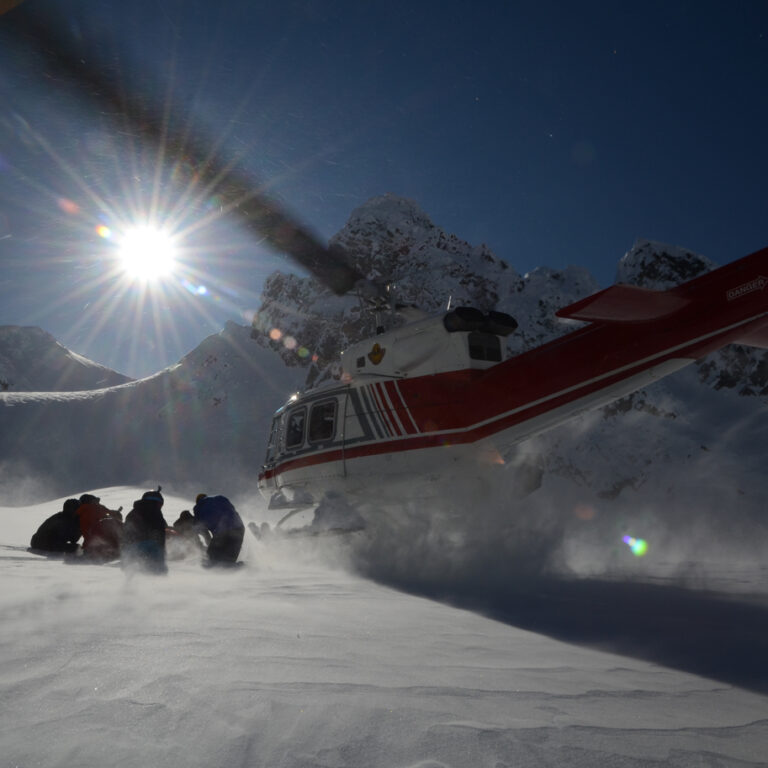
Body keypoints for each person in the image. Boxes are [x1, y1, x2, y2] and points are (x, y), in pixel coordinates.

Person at [122, 488, 169, 573]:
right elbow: (160, 532)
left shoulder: (132, 512)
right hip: (151, 545)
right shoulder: (156, 512)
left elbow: (126, 532)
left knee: (135, 572)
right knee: (158, 571)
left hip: (132, 547)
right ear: (159, 502)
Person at [193, 493, 245, 565]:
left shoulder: (198, 508)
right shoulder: (221, 497)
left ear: (198, 501)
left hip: (221, 532)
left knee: (211, 559)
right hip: (239, 528)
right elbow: (233, 511)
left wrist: (211, 545)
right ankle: (243, 568)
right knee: (230, 561)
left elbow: (202, 530)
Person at [76, 493, 123, 561]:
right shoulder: (99, 509)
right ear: (92, 501)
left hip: (89, 549)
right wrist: (116, 516)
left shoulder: (80, 513)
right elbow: (110, 516)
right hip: (110, 548)